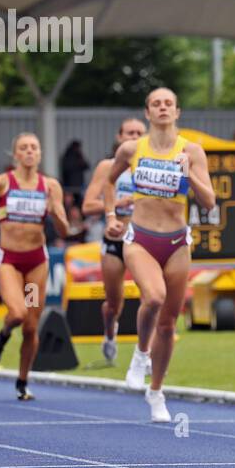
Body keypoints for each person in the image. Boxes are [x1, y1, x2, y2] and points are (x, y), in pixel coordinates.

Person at [106, 89, 215, 422]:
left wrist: (189, 173)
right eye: (157, 103)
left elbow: (209, 201)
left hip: (177, 243)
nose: (163, 107)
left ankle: (156, 392)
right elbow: (108, 181)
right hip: (139, 238)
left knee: (168, 325)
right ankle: (140, 354)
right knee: (153, 297)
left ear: (177, 111)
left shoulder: (192, 151)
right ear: (148, 112)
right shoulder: (131, 149)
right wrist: (111, 215)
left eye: (169, 103)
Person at [0, 133, 70, 400]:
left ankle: (22, 381)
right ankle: (3, 335)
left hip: (36, 263)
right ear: (15, 154)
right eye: (23, 148)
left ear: (40, 154)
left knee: (30, 325)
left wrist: (55, 211)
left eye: (34, 148)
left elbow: (64, 230)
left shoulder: (50, 186)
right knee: (17, 313)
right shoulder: (1, 183)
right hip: (9, 261)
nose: (29, 152)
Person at [82, 118, 147, 364]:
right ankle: (110, 332)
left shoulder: (153, 166)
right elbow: (87, 205)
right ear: (119, 137)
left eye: (139, 132)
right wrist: (115, 205)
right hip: (115, 240)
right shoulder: (107, 167)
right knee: (113, 303)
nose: (133, 136)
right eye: (129, 132)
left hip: (142, 239)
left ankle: (145, 353)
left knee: (150, 297)